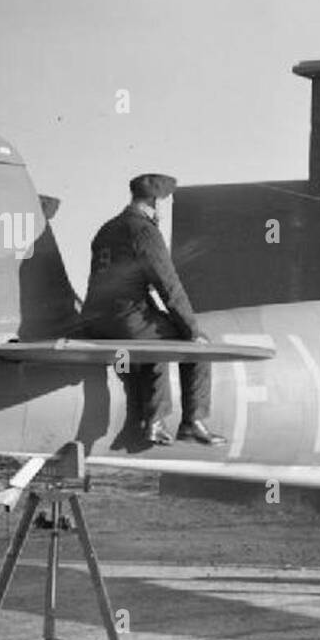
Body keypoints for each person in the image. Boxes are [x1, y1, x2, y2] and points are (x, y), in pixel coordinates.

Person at [79, 173, 225, 446]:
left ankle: (155, 421)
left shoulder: (107, 229)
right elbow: (168, 284)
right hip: (126, 318)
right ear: (155, 202)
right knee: (197, 346)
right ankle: (193, 421)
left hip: (95, 320)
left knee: (155, 337)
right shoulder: (144, 230)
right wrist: (191, 330)